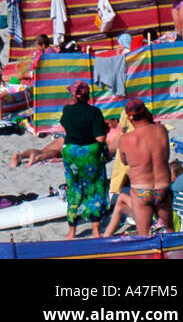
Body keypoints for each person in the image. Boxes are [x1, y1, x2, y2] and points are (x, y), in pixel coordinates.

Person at [59, 81, 109, 239]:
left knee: (74, 189)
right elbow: (100, 138)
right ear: (88, 95)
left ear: (73, 95)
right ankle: (95, 231)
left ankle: (72, 231)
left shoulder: (67, 110)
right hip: (90, 154)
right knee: (95, 189)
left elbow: (65, 128)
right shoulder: (94, 112)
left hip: (72, 152)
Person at [118, 99, 173, 235]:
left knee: (143, 236)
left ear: (130, 118)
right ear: (146, 112)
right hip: (162, 188)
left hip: (141, 189)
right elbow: (166, 155)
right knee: (171, 230)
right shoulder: (161, 130)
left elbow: (125, 161)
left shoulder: (125, 139)